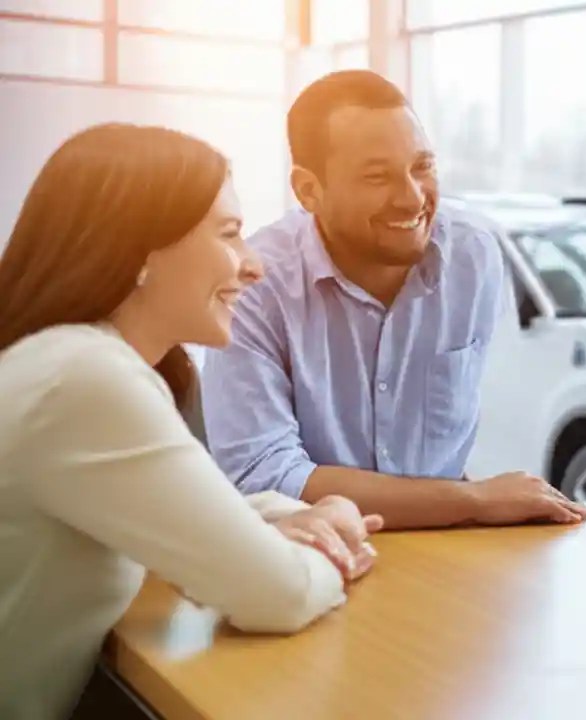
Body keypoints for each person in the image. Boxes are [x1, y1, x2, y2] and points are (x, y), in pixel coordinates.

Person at [0, 124, 384, 720]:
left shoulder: (67, 363)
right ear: (140, 253)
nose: (253, 265)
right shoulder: (86, 378)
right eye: (229, 234)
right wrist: (339, 544)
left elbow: (171, 518)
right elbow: (277, 595)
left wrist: (294, 520)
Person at [200, 70, 586, 529]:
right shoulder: (256, 282)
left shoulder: (473, 256)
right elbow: (263, 476)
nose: (411, 198)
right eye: (377, 176)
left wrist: (469, 501)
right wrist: (472, 501)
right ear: (309, 191)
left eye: (422, 167)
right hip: (312, 552)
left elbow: (454, 446)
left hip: (444, 550)